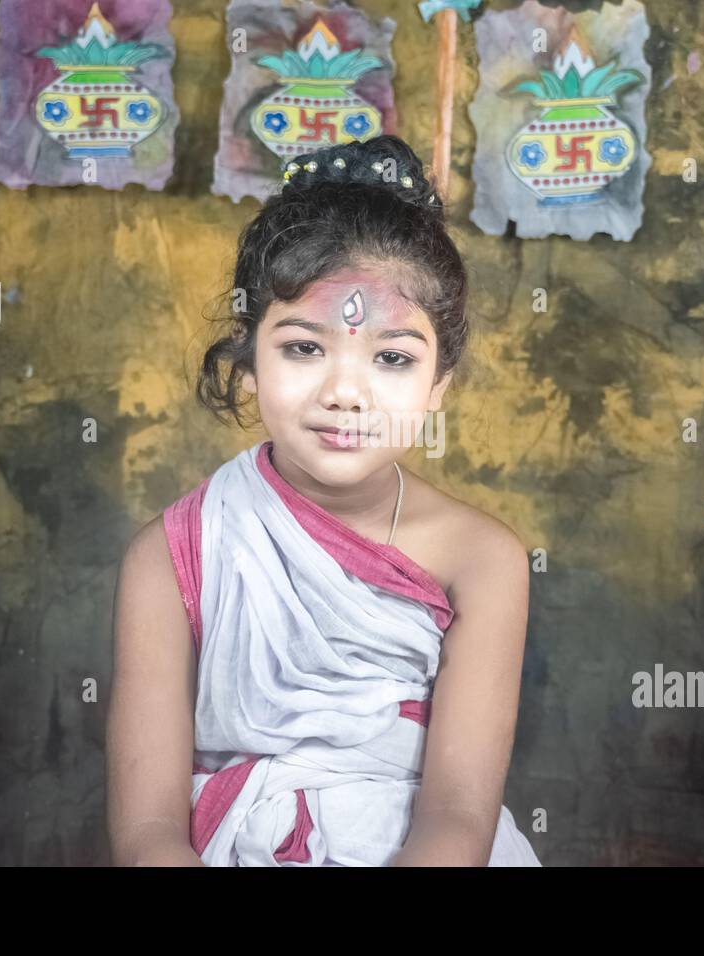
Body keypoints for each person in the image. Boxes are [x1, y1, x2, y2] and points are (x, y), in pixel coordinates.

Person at [107, 135, 540, 866]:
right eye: (304, 348)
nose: (345, 392)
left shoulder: (483, 561)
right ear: (248, 361)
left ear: (438, 385)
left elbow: (456, 820)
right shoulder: (171, 555)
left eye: (392, 358)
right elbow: (148, 834)